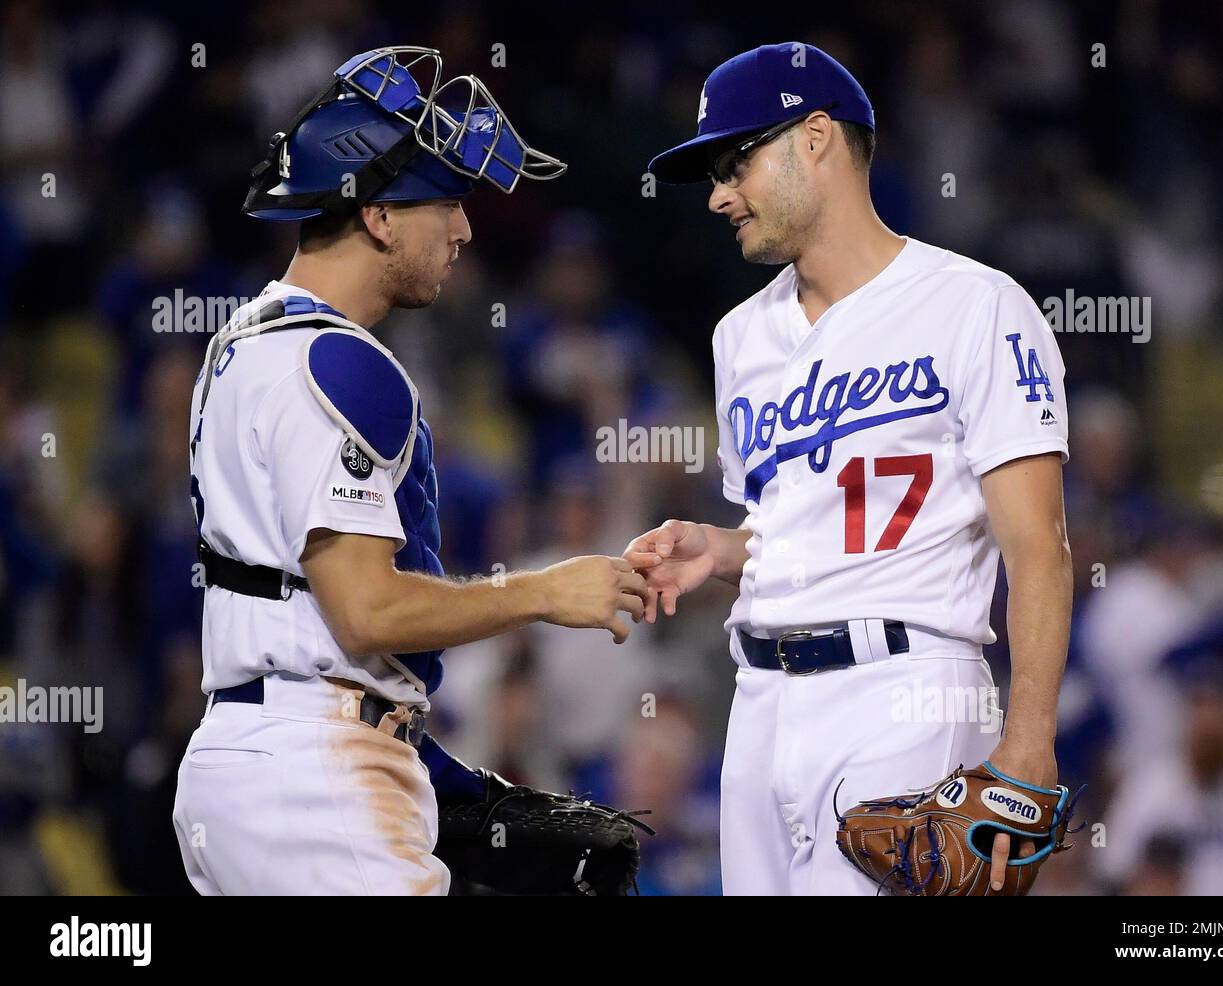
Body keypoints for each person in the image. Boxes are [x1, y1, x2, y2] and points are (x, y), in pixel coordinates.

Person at [173, 47, 648, 895]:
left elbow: (306, 612)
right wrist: (545, 591)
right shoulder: (345, 364)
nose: (464, 230)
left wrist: (449, 783)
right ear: (381, 214)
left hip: (237, 760)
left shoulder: (237, 342)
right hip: (313, 778)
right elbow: (366, 611)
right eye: (446, 203)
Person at [626, 42, 1072, 895]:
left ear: (817, 137)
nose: (719, 195)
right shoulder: (739, 338)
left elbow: (1039, 546)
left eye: (735, 162)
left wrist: (1028, 740)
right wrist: (723, 551)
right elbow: (795, 525)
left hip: (906, 692)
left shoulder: (975, 306)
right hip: (757, 703)